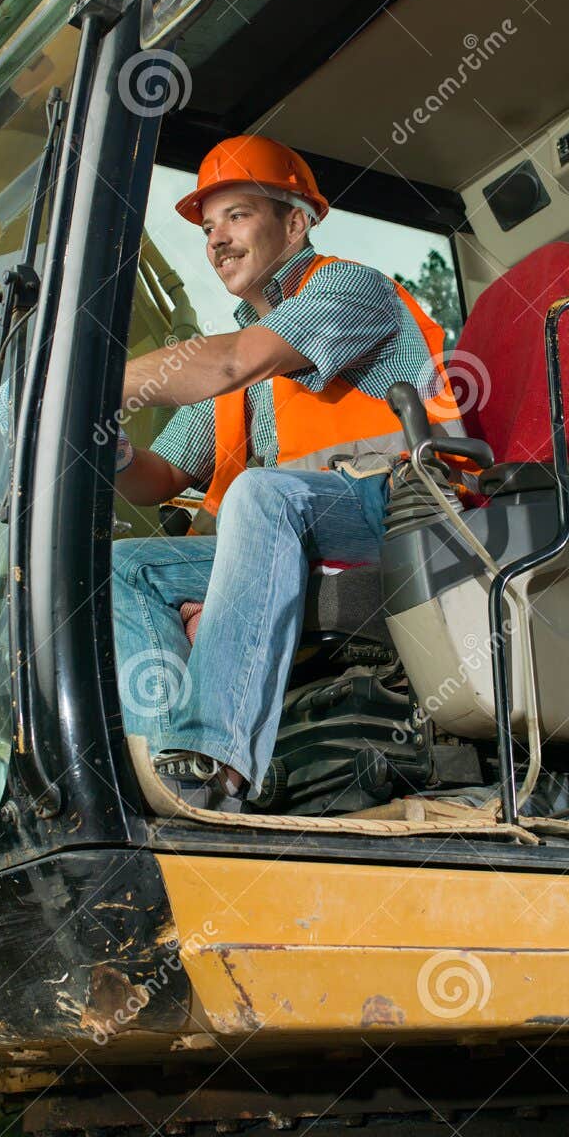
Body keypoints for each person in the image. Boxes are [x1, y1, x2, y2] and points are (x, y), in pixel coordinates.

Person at [111, 134, 457, 812]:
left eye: (237, 215)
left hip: (398, 510)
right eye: (208, 228)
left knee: (260, 493)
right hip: (292, 525)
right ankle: (162, 770)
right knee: (131, 566)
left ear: (295, 222)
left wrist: (98, 382)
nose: (216, 240)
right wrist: (113, 450)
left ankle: (219, 760)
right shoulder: (238, 367)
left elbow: (237, 359)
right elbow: (157, 476)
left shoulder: (349, 289)